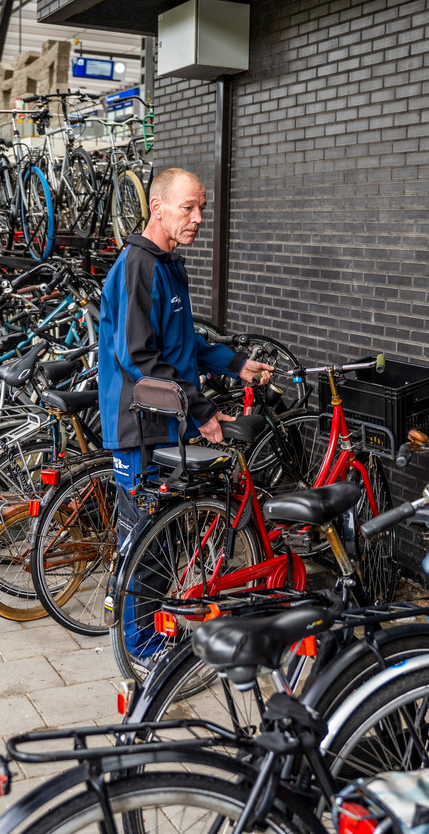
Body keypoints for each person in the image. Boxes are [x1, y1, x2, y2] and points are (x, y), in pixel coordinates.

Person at [97, 167, 272, 629]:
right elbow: (138, 357)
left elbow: (182, 342)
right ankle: (142, 651)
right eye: (187, 207)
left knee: (163, 541)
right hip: (138, 427)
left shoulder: (170, 265)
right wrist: (203, 411)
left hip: (164, 424)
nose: (197, 218)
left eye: (202, 208)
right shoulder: (139, 266)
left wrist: (235, 364)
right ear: (157, 208)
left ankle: (154, 635)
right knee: (146, 547)